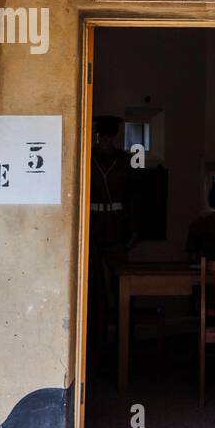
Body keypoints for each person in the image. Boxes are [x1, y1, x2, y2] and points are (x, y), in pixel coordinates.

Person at [88, 115, 141, 355]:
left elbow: (135, 197)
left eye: (110, 135)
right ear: (97, 135)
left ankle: (124, 344)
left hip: (118, 229)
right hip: (93, 227)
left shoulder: (126, 161)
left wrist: (134, 229)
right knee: (94, 290)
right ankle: (94, 344)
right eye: (102, 135)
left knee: (122, 286)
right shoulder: (87, 157)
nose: (106, 139)